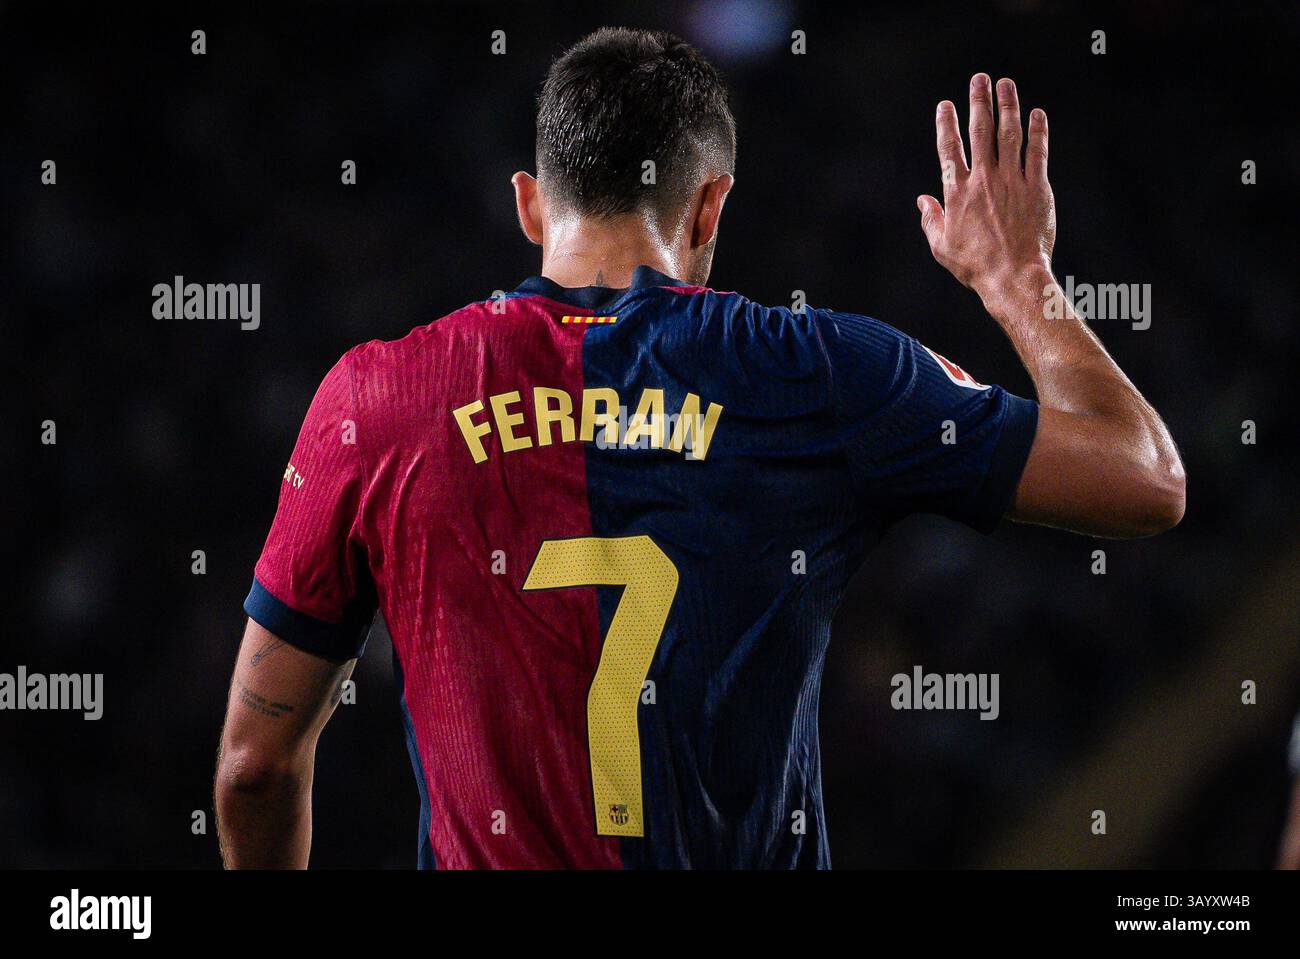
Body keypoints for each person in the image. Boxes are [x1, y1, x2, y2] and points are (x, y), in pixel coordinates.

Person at [216, 28, 1184, 869]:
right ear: (711, 205)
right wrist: (1017, 278)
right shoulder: (821, 371)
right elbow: (1142, 479)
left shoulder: (378, 397)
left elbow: (253, 766)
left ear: (528, 204)